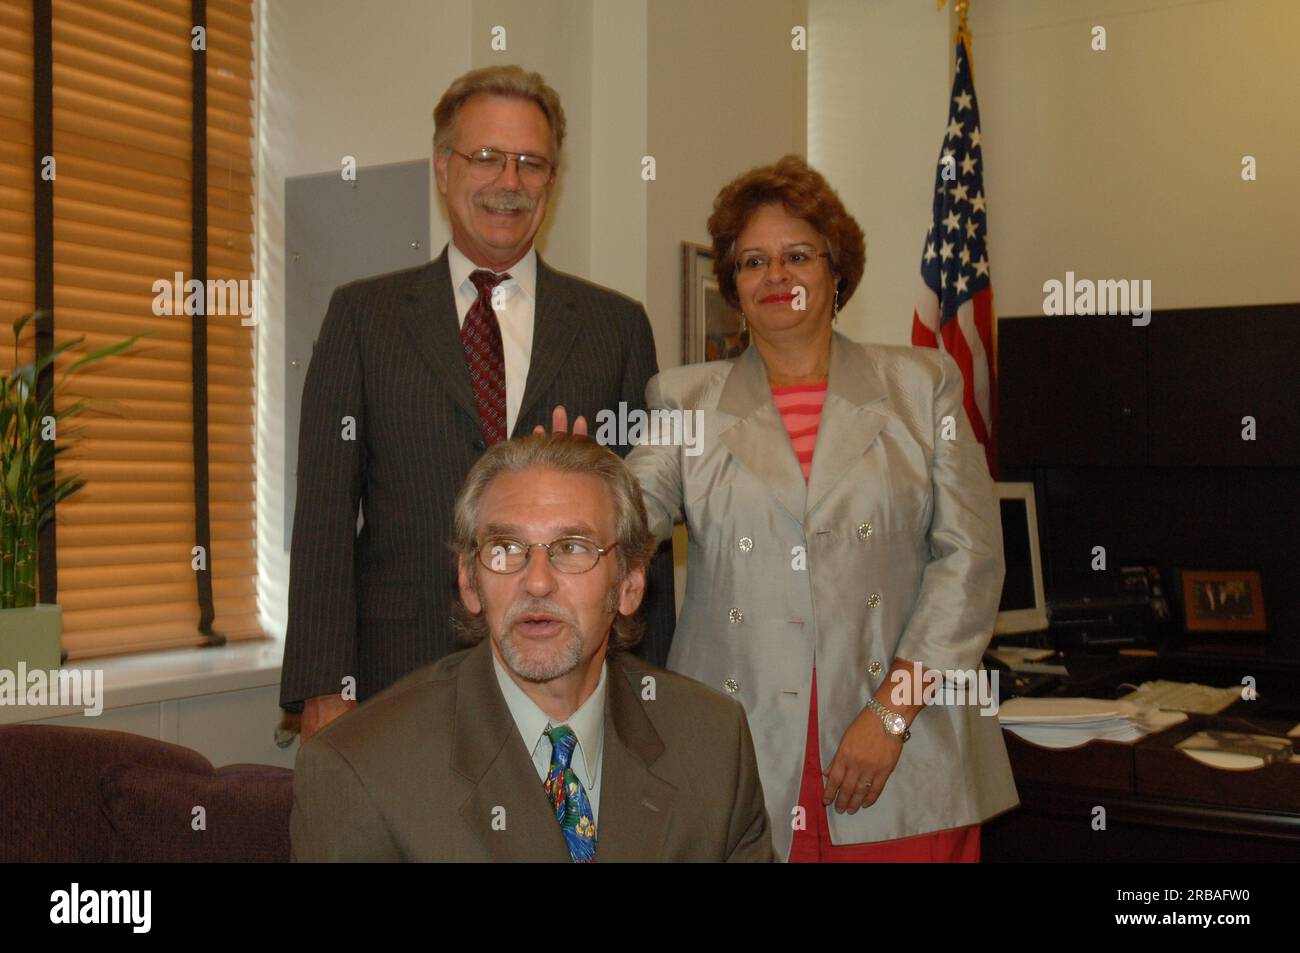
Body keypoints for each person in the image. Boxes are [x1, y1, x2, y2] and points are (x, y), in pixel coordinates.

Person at [623, 155, 1019, 862]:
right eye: (753, 261)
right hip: (744, 750)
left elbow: (971, 559)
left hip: (904, 749)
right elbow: (624, 521)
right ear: (733, 287)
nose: (776, 275)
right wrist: (560, 481)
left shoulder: (922, 385)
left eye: (797, 255)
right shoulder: (684, 400)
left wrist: (891, 713)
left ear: (837, 272)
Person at [280, 65, 675, 744]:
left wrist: (643, 691)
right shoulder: (362, 317)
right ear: (442, 167)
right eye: (486, 157)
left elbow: (642, 537)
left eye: (531, 162)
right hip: (398, 686)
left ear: (552, 180)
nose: (508, 181)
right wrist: (322, 690)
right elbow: (322, 517)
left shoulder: (616, 327)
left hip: (569, 688)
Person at [289, 433, 773, 862]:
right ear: (469, 581)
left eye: (573, 548)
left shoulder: (713, 743)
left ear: (629, 584)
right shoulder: (358, 771)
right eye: (505, 550)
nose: (537, 582)